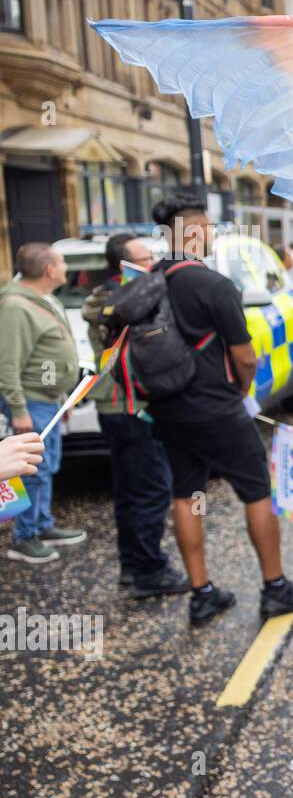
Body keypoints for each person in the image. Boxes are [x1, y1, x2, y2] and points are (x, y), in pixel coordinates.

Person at [145, 191, 293, 625]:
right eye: (206, 226)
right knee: (256, 490)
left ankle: (202, 593)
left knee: (186, 495)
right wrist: (243, 390)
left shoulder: (149, 281)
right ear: (190, 230)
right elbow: (244, 356)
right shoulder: (215, 285)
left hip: (167, 409)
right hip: (217, 408)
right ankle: (276, 587)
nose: (212, 233)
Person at [81, 233, 188, 596]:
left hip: (115, 406)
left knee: (129, 489)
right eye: (145, 259)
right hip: (131, 407)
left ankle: (132, 565)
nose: (153, 264)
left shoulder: (108, 296)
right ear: (123, 265)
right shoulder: (125, 300)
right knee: (151, 489)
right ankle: (148, 571)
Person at [0, 242, 86, 564]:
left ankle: (42, 524)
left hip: (47, 400)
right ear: (50, 270)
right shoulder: (15, 306)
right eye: (62, 262)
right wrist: (19, 411)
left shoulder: (44, 298)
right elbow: (7, 364)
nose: (66, 268)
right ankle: (24, 537)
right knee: (31, 470)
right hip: (31, 403)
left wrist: (62, 397)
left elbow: (45, 357)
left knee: (45, 465)